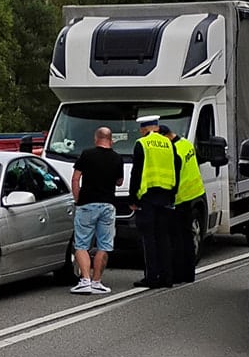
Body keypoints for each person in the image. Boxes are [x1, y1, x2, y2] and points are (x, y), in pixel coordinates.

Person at [130, 115, 181, 288]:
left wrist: (133, 197)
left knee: (148, 238)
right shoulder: (169, 144)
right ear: (157, 128)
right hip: (166, 196)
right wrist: (173, 192)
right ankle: (167, 277)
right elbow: (176, 167)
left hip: (147, 197)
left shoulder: (142, 144)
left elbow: (136, 173)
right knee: (164, 237)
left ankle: (152, 277)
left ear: (145, 129)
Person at [69, 126, 120, 294]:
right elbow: (119, 182)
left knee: (82, 244)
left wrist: (77, 199)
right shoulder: (117, 158)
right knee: (104, 245)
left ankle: (85, 280)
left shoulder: (86, 154)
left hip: (87, 204)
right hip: (108, 205)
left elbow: (76, 179)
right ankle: (97, 281)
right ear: (111, 140)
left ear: (95, 138)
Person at [169, 121, 205, 284]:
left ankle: (178, 274)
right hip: (194, 193)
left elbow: (174, 177)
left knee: (178, 238)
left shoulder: (174, 150)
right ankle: (189, 274)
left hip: (181, 197)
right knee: (188, 237)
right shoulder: (186, 144)